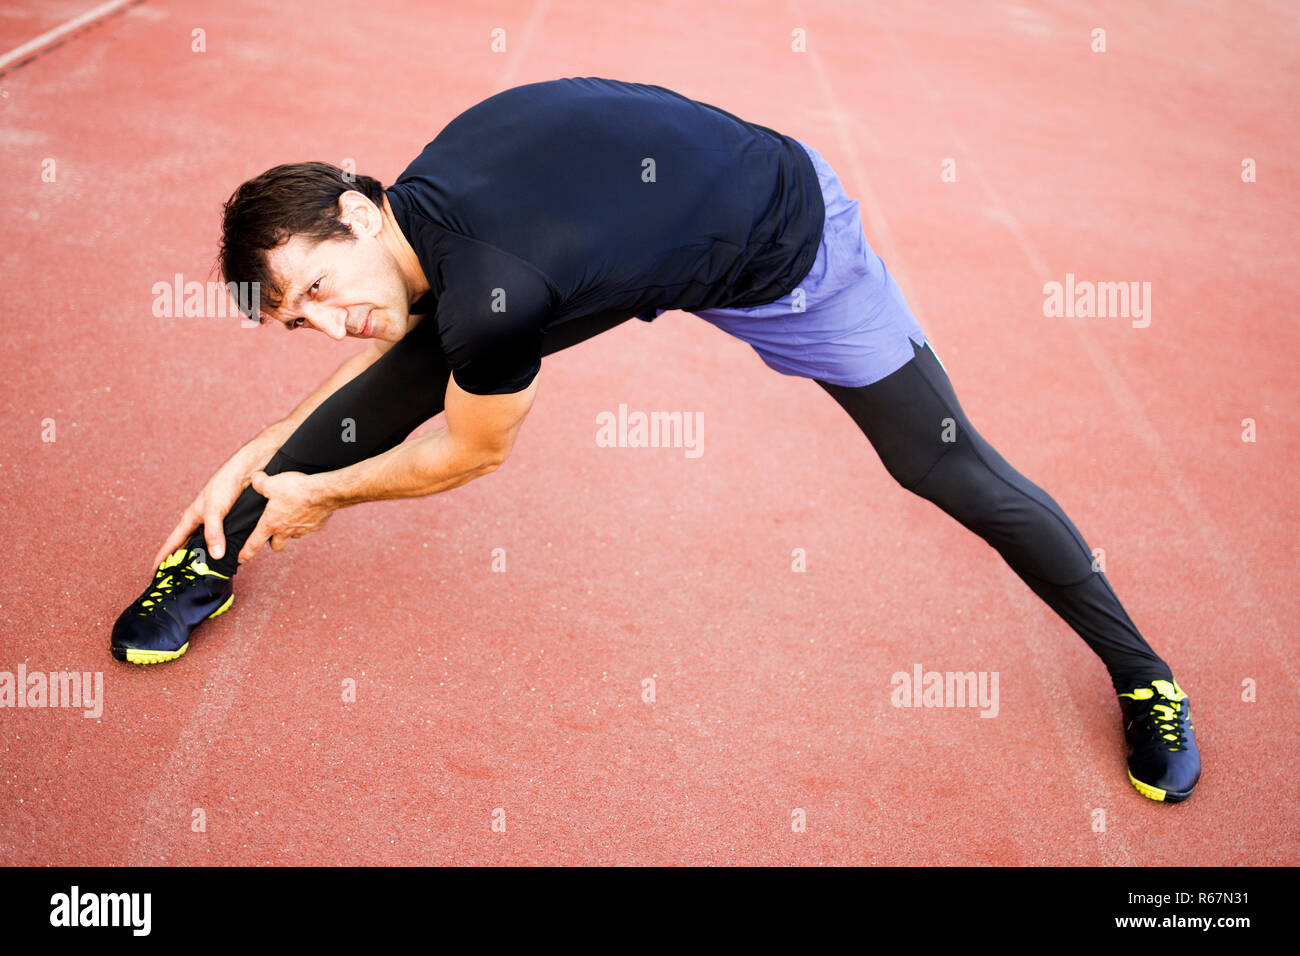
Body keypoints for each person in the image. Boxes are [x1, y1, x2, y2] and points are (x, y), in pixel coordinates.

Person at [111, 77, 1199, 803]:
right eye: (295, 320)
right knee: (406, 355)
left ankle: (1146, 677)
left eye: (315, 289)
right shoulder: (428, 195)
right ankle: (214, 544)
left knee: (945, 464)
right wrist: (260, 451)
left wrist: (321, 492)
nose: (322, 321)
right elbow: (402, 342)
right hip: (628, 247)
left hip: (785, 248)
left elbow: (470, 451)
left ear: (354, 211)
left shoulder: (492, 292)